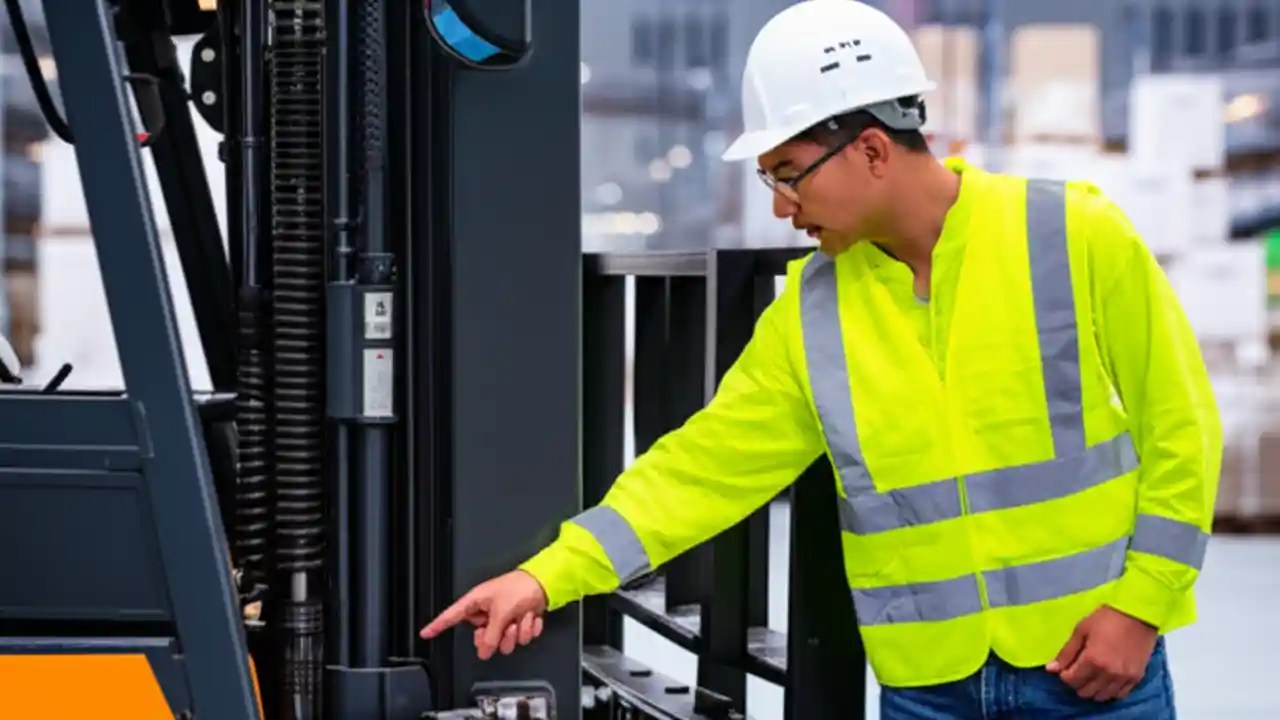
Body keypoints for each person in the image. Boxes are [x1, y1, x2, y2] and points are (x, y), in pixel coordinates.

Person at [420, 1, 1222, 717]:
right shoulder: (813, 312)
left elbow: (1181, 428)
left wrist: (1142, 606)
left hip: (1091, 672)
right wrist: (549, 574)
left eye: (787, 175)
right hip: (927, 690)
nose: (779, 205)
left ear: (872, 148)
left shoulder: (1074, 236)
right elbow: (700, 470)